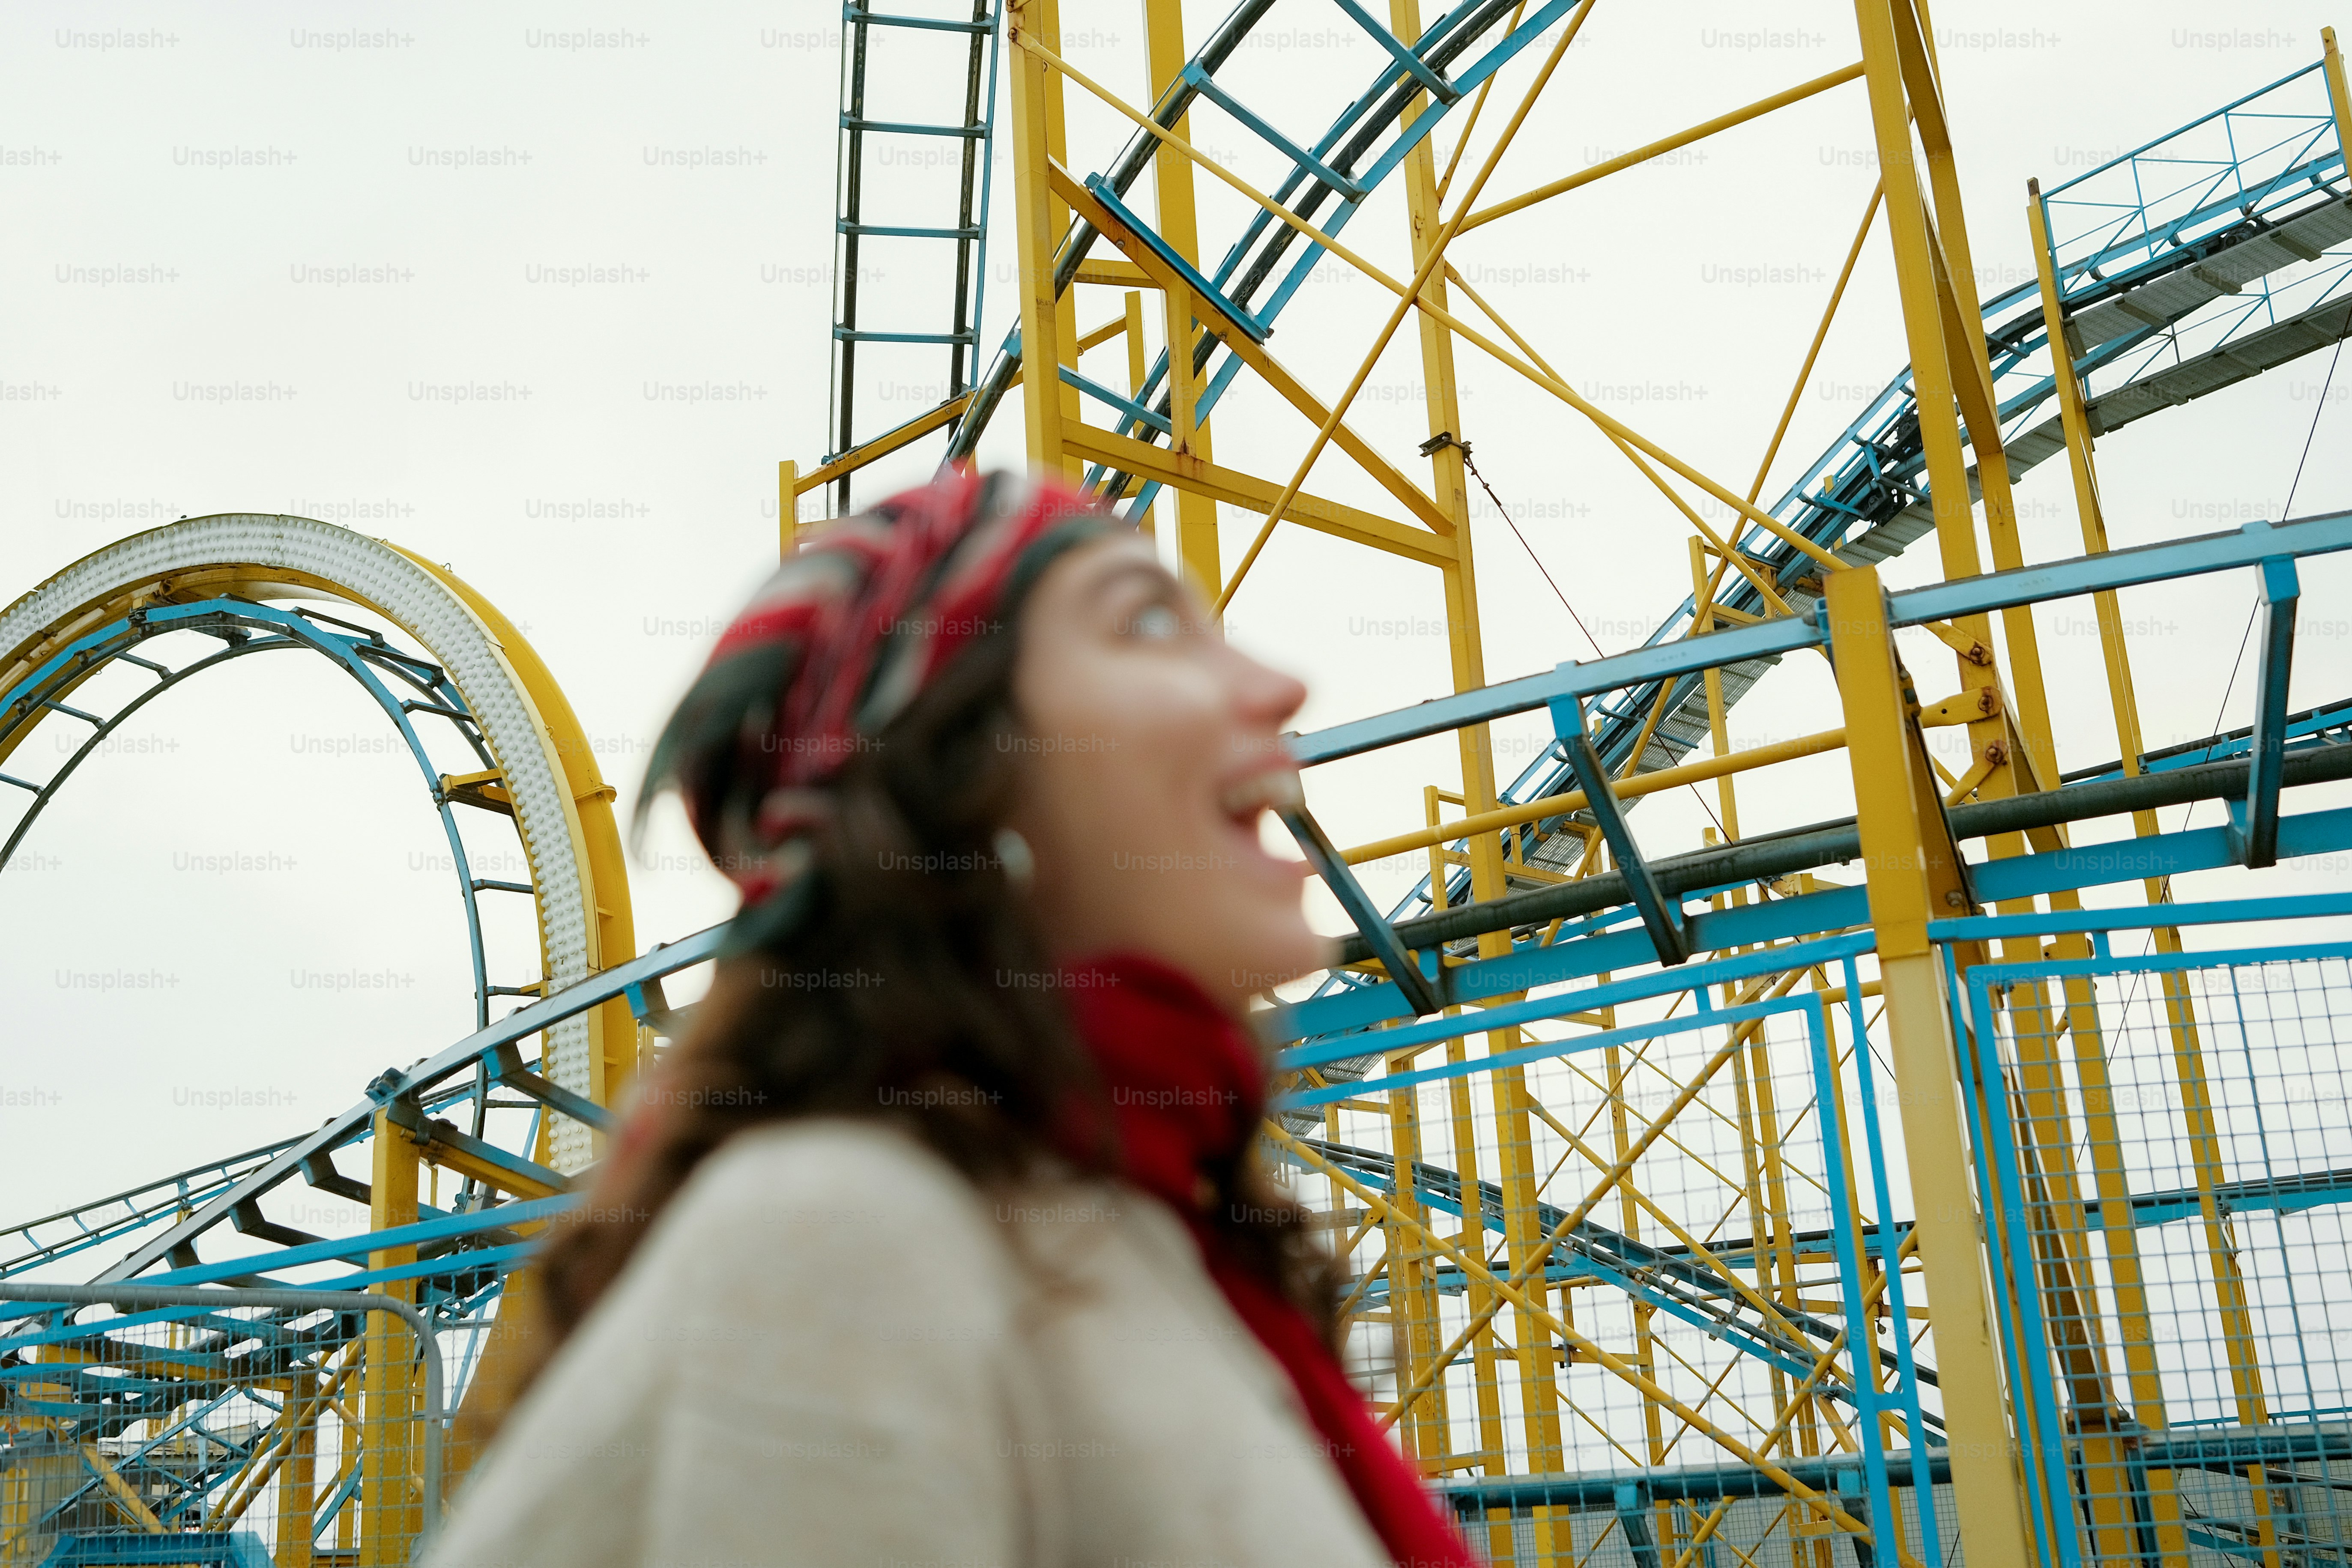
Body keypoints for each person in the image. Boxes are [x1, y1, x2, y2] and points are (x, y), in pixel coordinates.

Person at [427, 469, 1478, 1566]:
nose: (1281, 683)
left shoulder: (1146, 1236)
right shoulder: (839, 1232)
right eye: (1149, 620)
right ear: (952, 771)